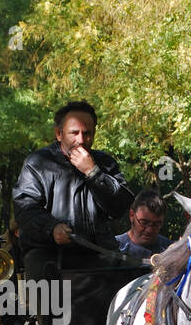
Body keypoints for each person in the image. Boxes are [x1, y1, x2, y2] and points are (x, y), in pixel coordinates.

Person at [12, 101, 133, 282]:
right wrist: (51, 229)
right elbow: (24, 208)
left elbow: (119, 206)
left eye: (87, 133)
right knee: (47, 302)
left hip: (99, 254)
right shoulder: (37, 163)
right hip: (49, 254)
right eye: (74, 133)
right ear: (59, 134)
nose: (81, 140)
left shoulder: (105, 163)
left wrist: (93, 173)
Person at [116, 190, 171, 259]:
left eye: (156, 224)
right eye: (144, 223)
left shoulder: (170, 250)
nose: (149, 230)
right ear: (132, 215)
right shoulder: (115, 247)